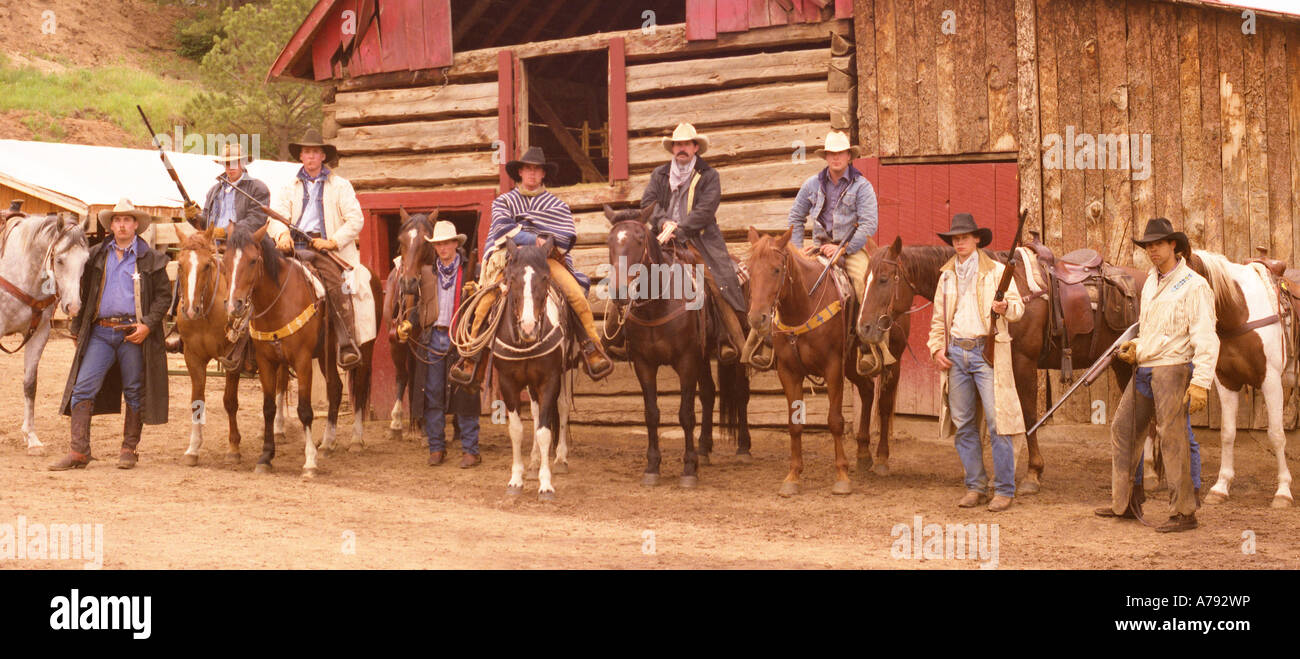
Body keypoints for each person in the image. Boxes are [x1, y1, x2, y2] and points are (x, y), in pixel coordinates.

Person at [449, 146, 613, 388]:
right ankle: (472, 357)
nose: (532, 174)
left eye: (537, 170)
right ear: (520, 173)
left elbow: (565, 236)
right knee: (484, 302)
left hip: (544, 261)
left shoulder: (556, 205)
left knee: (576, 295)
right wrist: (532, 240)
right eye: (528, 169)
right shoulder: (504, 202)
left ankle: (592, 348)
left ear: (543, 174)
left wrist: (542, 245)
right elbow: (504, 230)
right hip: (511, 260)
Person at [1099, 218, 1218, 533]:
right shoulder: (1151, 281)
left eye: (1158, 244)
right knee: (1122, 429)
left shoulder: (1195, 285)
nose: (1152, 250)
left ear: (1174, 245)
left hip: (1173, 368)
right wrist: (1136, 346)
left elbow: (1206, 338)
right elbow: (1151, 328)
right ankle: (1124, 503)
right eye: (1148, 245)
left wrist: (1201, 383)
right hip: (1147, 366)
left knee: (1172, 437)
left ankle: (1184, 513)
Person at [52, 199, 171, 470]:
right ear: (111, 225)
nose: (122, 225)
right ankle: (79, 451)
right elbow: (83, 291)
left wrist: (148, 325)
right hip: (100, 332)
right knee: (82, 387)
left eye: (127, 220)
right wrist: (76, 328)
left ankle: (129, 449)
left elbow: (164, 296)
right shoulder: (95, 256)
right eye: (117, 220)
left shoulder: (150, 258)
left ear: (136, 225)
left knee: (134, 390)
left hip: (133, 332)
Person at [926, 213, 1025, 512]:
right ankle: (975, 486)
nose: (959, 242)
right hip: (956, 353)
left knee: (998, 422)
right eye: (955, 238)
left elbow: (1019, 310)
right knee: (964, 423)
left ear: (977, 239)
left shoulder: (996, 271)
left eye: (964, 237)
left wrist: (1005, 306)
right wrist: (936, 349)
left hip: (986, 352)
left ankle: (1004, 489)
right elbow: (938, 320)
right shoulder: (946, 276)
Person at [626, 122, 747, 364]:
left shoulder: (709, 176)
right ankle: (620, 335)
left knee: (719, 280)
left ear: (695, 147)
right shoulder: (659, 174)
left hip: (699, 240)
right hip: (661, 238)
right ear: (672, 148)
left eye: (686, 144)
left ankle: (729, 338)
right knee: (630, 272)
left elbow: (705, 210)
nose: (681, 149)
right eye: (677, 144)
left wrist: (679, 230)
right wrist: (663, 224)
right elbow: (648, 202)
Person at [268, 127, 375, 370]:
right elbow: (276, 216)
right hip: (294, 248)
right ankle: (255, 344)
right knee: (262, 275)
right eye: (307, 152)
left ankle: (346, 342)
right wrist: (282, 234)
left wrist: (333, 241)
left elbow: (356, 219)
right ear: (301, 157)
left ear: (323, 156)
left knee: (338, 286)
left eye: (315, 152)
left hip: (326, 251)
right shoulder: (289, 187)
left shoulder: (341, 186)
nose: (311, 157)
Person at [788, 130, 879, 373]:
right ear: (826, 157)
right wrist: (797, 251)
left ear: (849, 156)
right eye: (831, 153)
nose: (836, 157)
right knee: (786, 278)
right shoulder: (812, 185)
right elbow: (796, 217)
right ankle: (763, 340)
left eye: (840, 153)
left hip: (850, 248)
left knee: (862, 283)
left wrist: (844, 248)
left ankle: (869, 345)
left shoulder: (862, 186)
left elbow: (869, 223)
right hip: (818, 247)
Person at [170, 142, 269, 364]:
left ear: (243, 162)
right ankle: (179, 325)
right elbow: (206, 223)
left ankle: (250, 336)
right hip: (214, 247)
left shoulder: (257, 188)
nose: (230, 167)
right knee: (188, 265)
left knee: (248, 281)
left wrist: (227, 231)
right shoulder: (214, 191)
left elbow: (256, 220)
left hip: (241, 247)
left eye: (234, 162)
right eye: (226, 163)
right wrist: (193, 216)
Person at [412, 221, 482, 467]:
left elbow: (485, 305)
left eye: (447, 243)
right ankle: (436, 447)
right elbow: (418, 306)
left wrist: (478, 291)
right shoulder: (427, 273)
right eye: (439, 244)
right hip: (433, 338)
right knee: (432, 395)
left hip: (461, 339)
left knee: (466, 394)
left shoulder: (473, 271)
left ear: (456, 244)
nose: (443, 248)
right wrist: (409, 324)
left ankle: (470, 449)